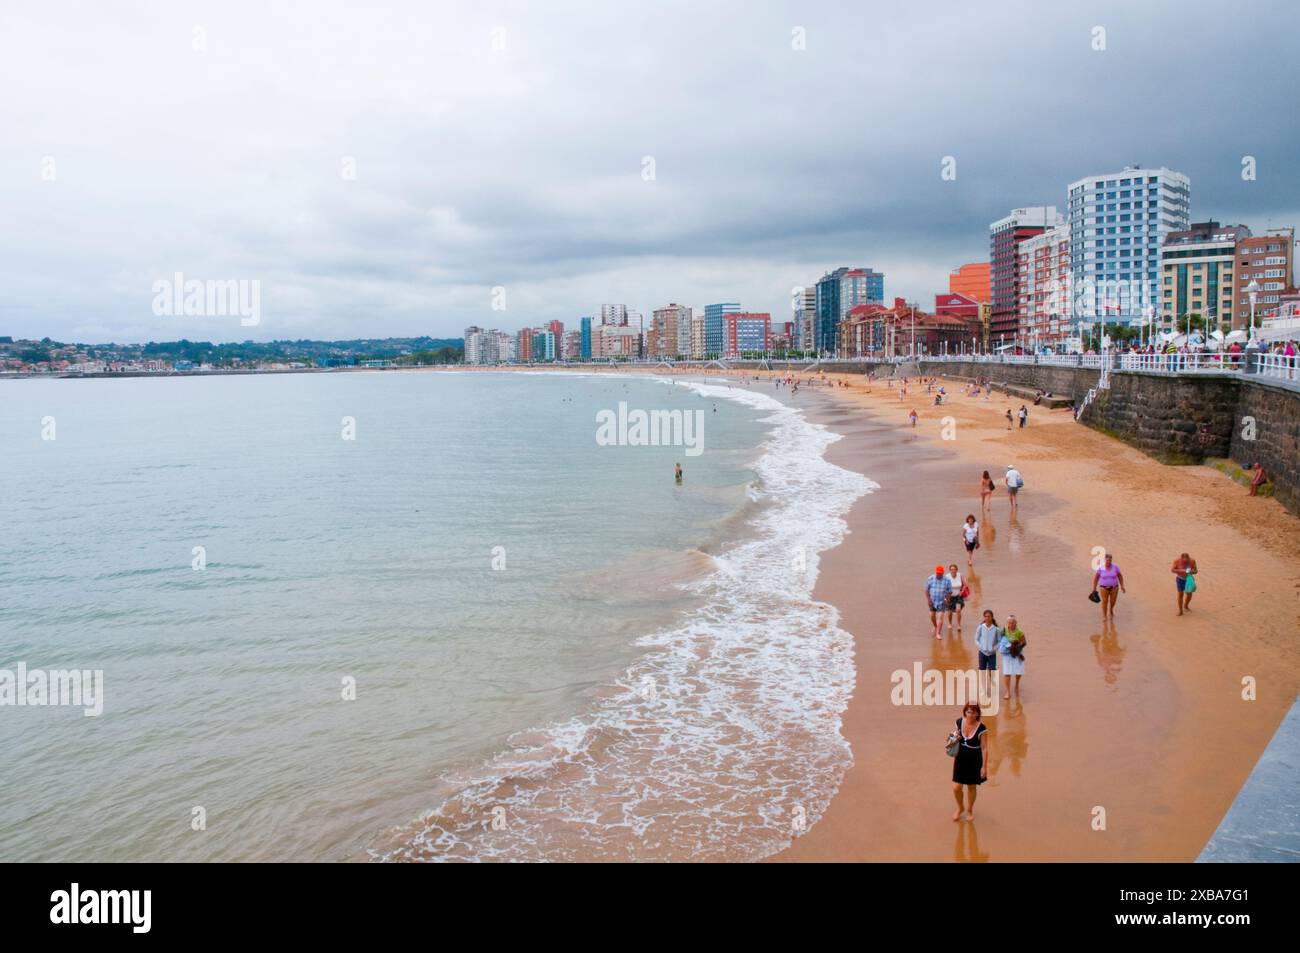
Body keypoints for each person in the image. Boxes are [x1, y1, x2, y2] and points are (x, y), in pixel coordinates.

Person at [951, 702, 988, 822]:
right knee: (956, 787)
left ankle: (970, 810)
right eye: (968, 712)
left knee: (971, 787)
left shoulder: (982, 728)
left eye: (973, 712)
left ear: (977, 714)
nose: (970, 715)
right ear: (965, 712)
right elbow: (953, 740)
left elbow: (984, 748)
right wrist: (954, 736)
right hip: (960, 758)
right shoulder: (958, 722)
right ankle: (960, 807)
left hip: (974, 760)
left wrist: (984, 767)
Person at [999, 615, 1027, 700]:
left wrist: (1016, 647)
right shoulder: (1004, 630)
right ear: (1007, 623)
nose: (1011, 624)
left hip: (1017, 652)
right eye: (1009, 622)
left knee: (1018, 671)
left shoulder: (1019, 632)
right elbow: (1000, 640)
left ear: (1016, 623)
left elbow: (1024, 643)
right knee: (1007, 672)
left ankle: (1016, 685)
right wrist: (1006, 646)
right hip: (1007, 653)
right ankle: (1007, 692)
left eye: (1013, 622)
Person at [974, 610, 1001, 698]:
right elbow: (976, 639)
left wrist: (995, 648)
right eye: (985, 616)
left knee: (992, 671)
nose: (987, 618)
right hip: (982, 653)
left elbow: (999, 641)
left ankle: (993, 688)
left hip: (992, 654)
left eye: (989, 616)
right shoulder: (980, 627)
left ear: (992, 617)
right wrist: (980, 646)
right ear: (984, 617)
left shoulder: (996, 629)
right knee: (982, 671)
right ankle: (983, 690)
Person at [1091, 553, 1125, 619]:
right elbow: (1096, 578)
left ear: (1111, 560)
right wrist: (1094, 588)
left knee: (1113, 601)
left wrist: (1122, 586)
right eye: (1107, 560)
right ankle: (1104, 615)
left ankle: (1111, 610)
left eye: (1110, 560)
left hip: (1114, 587)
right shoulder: (1101, 568)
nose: (1109, 562)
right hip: (1103, 588)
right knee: (1105, 601)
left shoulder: (1115, 567)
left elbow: (1120, 576)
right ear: (1105, 560)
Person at [925, 564, 953, 640]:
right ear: (935, 572)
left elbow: (950, 591)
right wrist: (929, 600)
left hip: (942, 601)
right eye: (937, 573)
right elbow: (926, 590)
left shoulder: (947, 580)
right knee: (932, 616)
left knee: (940, 617)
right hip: (932, 601)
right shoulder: (930, 578)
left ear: (943, 573)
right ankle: (935, 626)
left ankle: (938, 633)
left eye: (940, 573)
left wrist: (947, 599)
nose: (938, 574)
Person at [945, 563, 966, 631]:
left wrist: (961, 591)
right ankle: (950, 623)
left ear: (957, 570)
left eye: (954, 569)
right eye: (951, 569)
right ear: (950, 570)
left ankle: (959, 625)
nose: (953, 571)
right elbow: (944, 587)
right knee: (950, 611)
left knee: (958, 610)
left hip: (958, 596)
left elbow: (965, 585)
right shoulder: (947, 577)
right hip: (950, 596)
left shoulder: (960, 575)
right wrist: (946, 596)